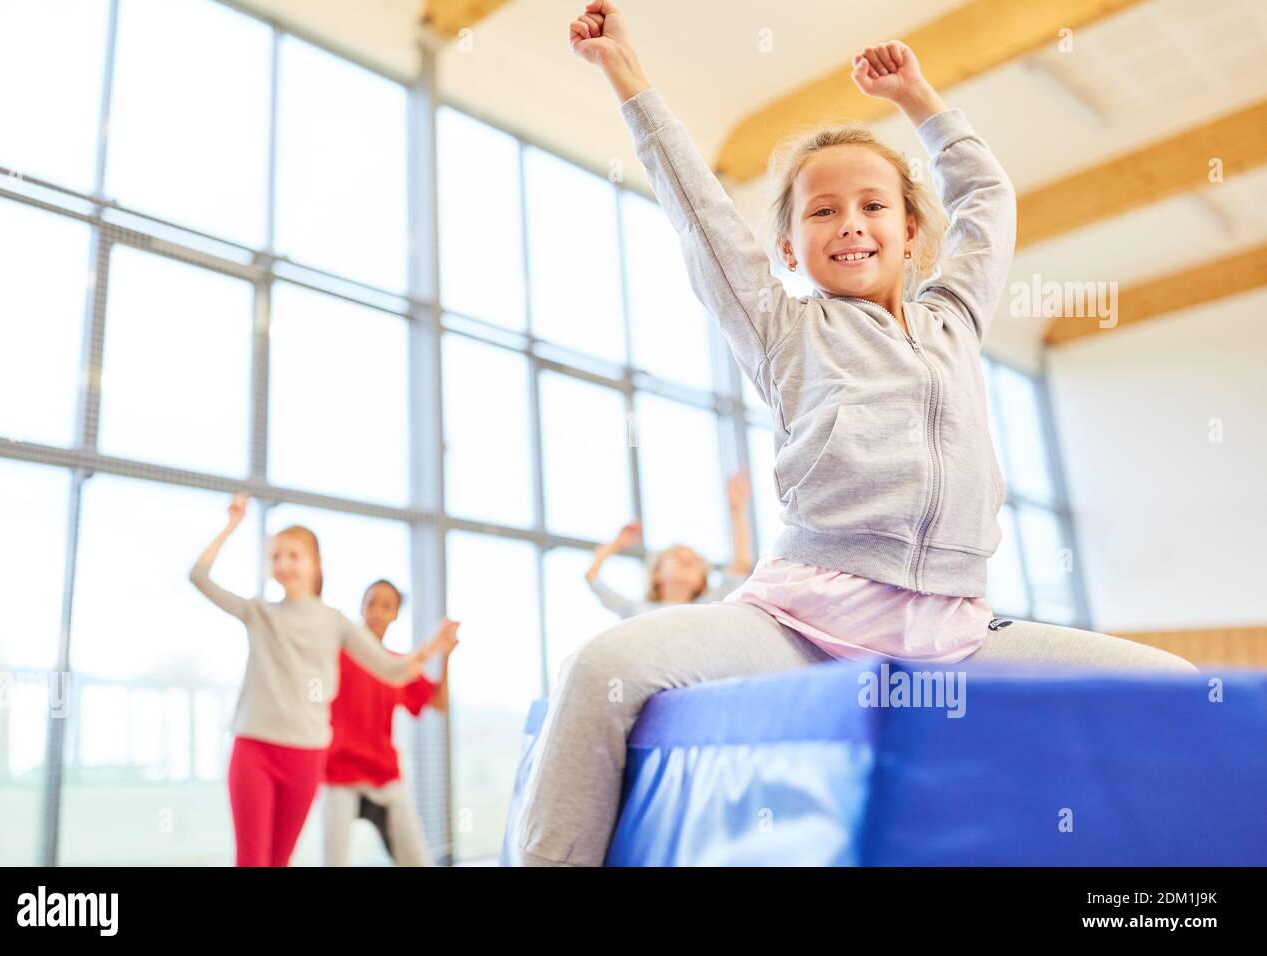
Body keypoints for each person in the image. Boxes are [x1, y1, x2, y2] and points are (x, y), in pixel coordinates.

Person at [512, 3, 1196, 868]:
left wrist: (919, 99)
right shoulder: (783, 330)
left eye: (873, 204)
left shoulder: (954, 320)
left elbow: (987, 198)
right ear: (792, 249)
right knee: (596, 669)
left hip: (956, 631)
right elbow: (699, 211)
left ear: (912, 233)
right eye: (821, 211)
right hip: (801, 624)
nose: (850, 223)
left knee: (1177, 690)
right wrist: (625, 73)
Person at [188, 492, 460, 867]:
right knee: (254, 860)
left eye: (293, 554)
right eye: (276, 556)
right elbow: (198, 577)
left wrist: (435, 649)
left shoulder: (336, 624)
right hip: (261, 749)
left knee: (280, 860)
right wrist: (232, 525)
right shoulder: (259, 612)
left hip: (312, 756)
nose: (283, 563)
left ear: (315, 563)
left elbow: (397, 672)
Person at [323, 579, 458, 867]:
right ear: (361, 607)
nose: (377, 612)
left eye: (386, 606)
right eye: (371, 604)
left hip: (385, 774)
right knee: (332, 859)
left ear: (395, 614)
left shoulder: (398, 665)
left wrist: (445, 656)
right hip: (339, 773)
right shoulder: (339, 655)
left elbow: (438, 702)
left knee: (417, 859)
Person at [585, 470, 755, 618]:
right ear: (656, 575)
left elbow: (739, 568)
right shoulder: (637, 611)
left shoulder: (710, 605)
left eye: (694, 561)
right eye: (677, 556)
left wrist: (737, 510)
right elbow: (592, 578)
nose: (686, 561)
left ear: (700, 582)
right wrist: (615, 544)